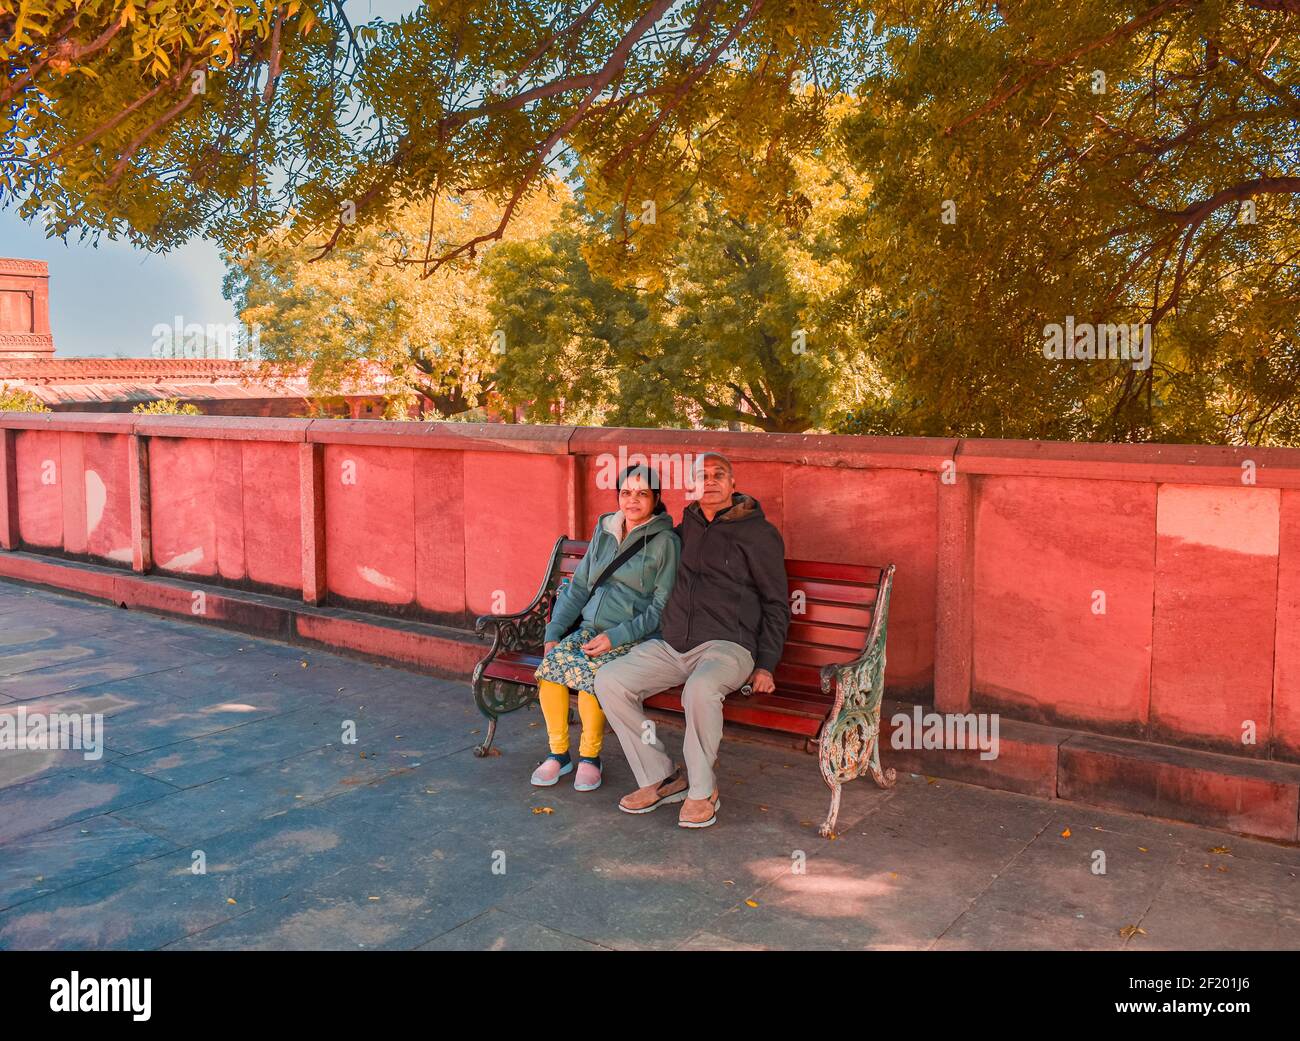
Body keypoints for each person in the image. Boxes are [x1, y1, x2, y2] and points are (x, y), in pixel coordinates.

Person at [595, 452, 790, 828]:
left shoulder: (759, 534)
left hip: (728, 647)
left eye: (720, 475)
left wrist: (766, 663)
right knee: (609, 680)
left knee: (699, 691)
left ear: (733, 485)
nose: (711, 480)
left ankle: (702, 791)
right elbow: (651, 546)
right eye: (703, 475)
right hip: (673, 644)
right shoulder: (688, 524)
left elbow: (776, 602)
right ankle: (662, 776)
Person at [530, 464, 681, 792]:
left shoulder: (665, 541)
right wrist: (553, 633)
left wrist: (616, 637)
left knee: (592, 680)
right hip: (589, 630)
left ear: (656, 498)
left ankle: (589, 758)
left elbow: (660, 608)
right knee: (551, 669)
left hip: (632, 636)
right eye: (626, 492)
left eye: (642, 494)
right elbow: (580, 586)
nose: (633, 500)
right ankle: (559, 753)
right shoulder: (606, 529)